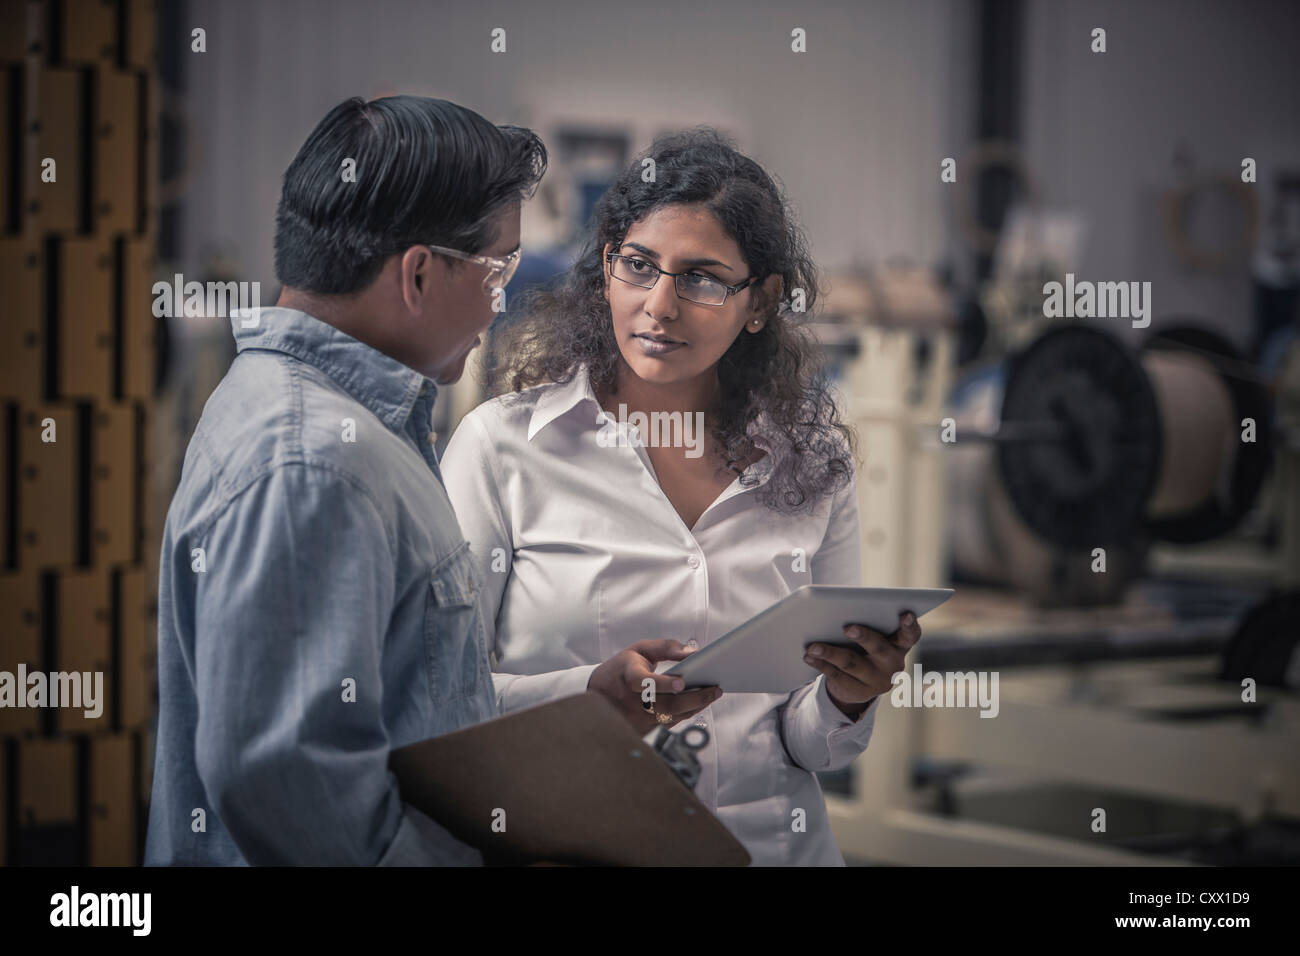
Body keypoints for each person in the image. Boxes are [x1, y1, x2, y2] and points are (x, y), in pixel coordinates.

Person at [441, 128, 921, 866]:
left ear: (759, 301)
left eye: (701, 278)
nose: (660, 305)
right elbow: (446, 701)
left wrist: (850, 697)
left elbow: (806, 742)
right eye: (639, 266)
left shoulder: (813, 464)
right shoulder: (502, 450)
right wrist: (590, 696)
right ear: (607, 270)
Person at [145, 95, 546, 865]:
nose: (500, 302)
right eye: (500, 268)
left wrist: (580, 700)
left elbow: (410, 696)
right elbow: (293, 781)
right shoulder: (314, 461)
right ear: (420, 274)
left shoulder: (330, 420)